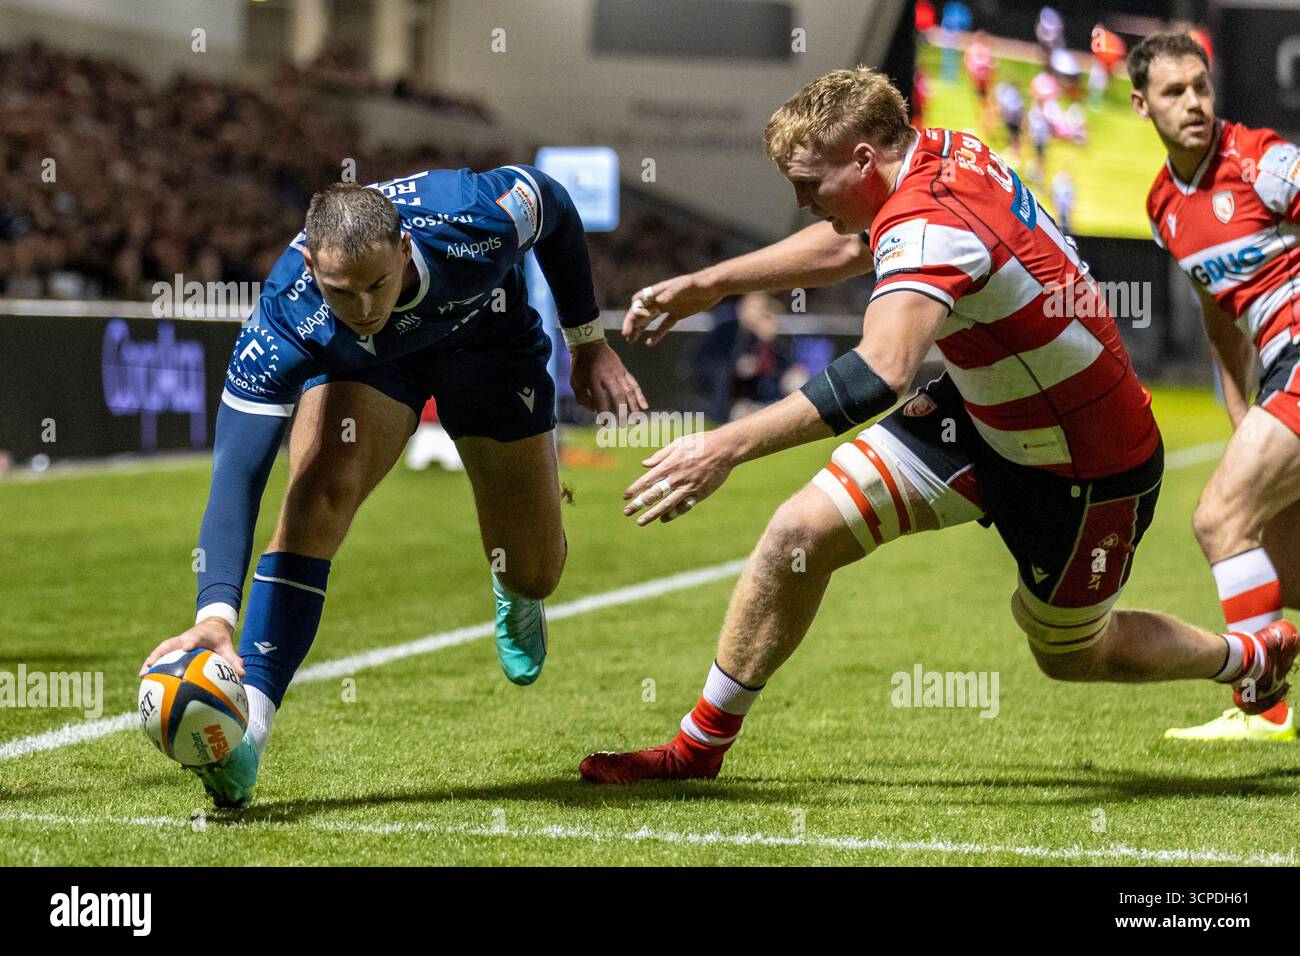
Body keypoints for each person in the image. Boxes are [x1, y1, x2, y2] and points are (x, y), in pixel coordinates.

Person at [580, 66, 1297, 784]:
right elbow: (858, 243)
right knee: (799, 533)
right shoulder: (938, 152)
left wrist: (725, 445)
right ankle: (694, 752)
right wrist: (712, 282)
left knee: (1075, 655)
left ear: (864, 157)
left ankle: (1246, 655)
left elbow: (881, 372)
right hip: (978, 416)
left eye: (808, 183)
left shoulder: (933, 223)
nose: (800, 201)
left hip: (1086, 467)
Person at [140, 165, 646, 807]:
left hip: (489, 346)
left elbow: (556, 202)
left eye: (376, 285)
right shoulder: (287, 313)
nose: (362, 308)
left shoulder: (475, 219)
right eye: (339, 292)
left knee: (535, 569)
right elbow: (236, 474)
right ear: (312, 269)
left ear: (405, 248)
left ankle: (514, 588)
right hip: (376, 372)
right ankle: (254, 730)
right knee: (319, 491)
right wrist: (214, 615)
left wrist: (588, 342)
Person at [1132, 31, 1300, 741]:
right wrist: (1243, 413)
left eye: (1201, 86)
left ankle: (1262, 709)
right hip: (1280, 375)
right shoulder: (1164, 207)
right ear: (1143, 105)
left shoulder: (1262, 161)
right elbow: (1217, 310)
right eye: (1175, 91)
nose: (1195, 103)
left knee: (1218, 519)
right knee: (1283, 563)